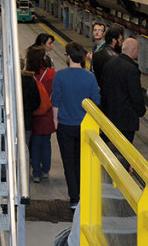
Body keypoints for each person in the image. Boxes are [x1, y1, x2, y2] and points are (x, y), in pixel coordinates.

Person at [52, 41, 101, 210]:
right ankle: (84, 196)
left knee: (68, 162)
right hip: (85, 126)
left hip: (65, 125)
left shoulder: (60, 76)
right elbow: (96, 101)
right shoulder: (90, 77)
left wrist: (55, 120)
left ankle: (73, 198)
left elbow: (55, 100)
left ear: (68, 56)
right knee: (82, 161)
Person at [100, 37, 145, 144]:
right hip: (126, 120)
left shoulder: (109, 64)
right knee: (124, 151)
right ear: (134, 51)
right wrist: (141, 111)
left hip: (109, 115)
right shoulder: (131, 69)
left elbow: (103, 88)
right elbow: (136, 95)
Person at [26, 45, 55, 183]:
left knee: (35, 144)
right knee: (46, 143)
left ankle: (36, 173)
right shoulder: (51, 74)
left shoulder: (27, 75)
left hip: (34, 115)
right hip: (48, 113)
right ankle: (45, 171)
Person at [92, 26, 122, 90]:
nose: (121, 43)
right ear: (114, 41)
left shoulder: (96, 54)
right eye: (120, 40)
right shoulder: (117, 59)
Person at [20, 60, 41, 150]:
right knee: (25, 148)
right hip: (27, 120)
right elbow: (37, 102)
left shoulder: (7, 82)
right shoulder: (31, 81)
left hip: (10, 121)